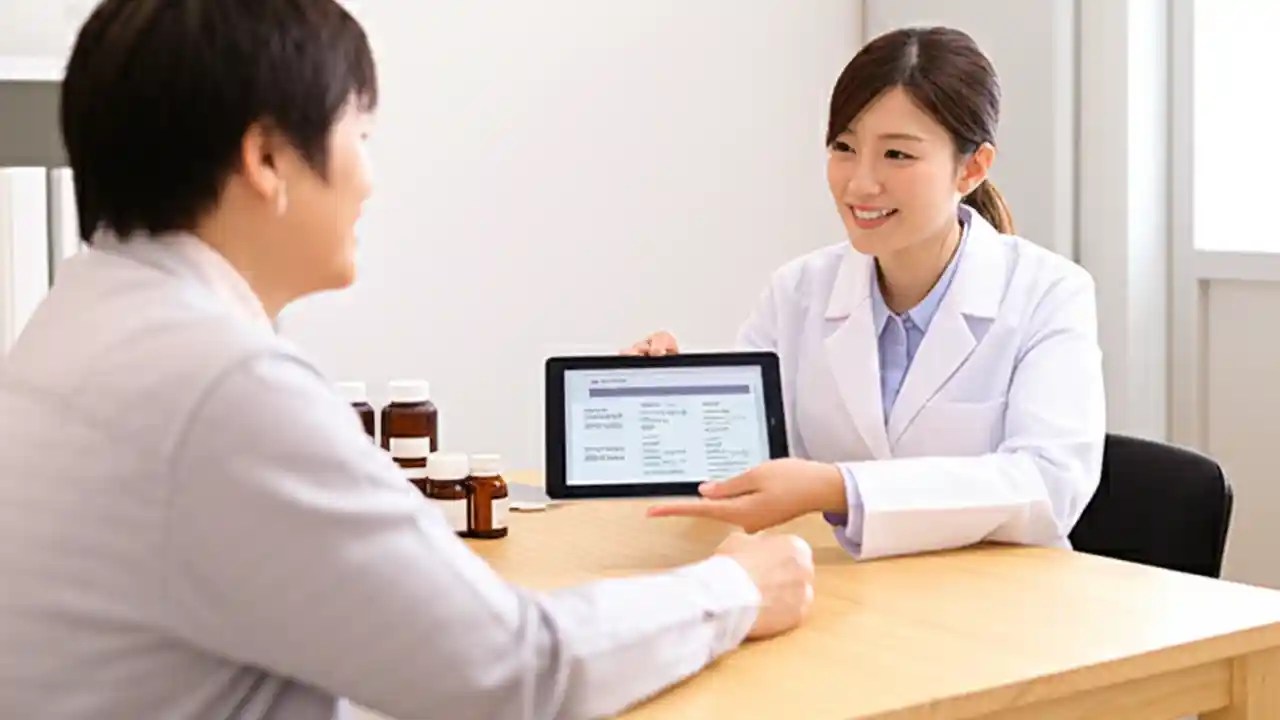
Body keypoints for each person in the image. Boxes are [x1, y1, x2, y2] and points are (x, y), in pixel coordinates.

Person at [0, 2, 814, 719]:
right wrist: (734, 590)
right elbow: (510, 674)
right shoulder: (221, 384)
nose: (371, 180)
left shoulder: (72, 328)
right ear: (266, 160)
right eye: (360, 136)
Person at [630, 27, 1106, 561]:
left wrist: (840, 489)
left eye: (898, 155)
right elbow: (749, 463)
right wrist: (664, 412)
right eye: (844, 148)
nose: (860, 183)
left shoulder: (1049, 292)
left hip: (1003, 605)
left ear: (971, 168)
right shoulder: (797, 291)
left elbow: (1048, 484)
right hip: (844, 597)